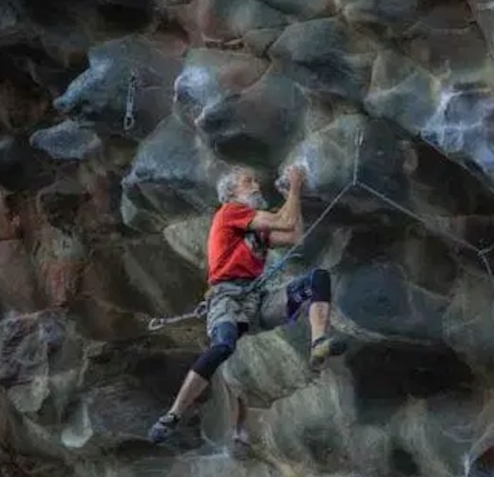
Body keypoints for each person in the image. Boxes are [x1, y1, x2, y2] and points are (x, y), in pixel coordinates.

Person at [148, 163, 346, 446]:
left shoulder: (255, 228)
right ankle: (174, 414)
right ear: (231, 193)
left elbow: (294, 235)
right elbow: (285, 222)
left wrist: (294, 195)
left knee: (317, 280)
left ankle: (318, 343)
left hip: (258, 303)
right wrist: (295, 187)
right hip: (227, 298)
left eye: (254, 181)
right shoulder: (230, 213)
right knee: (223, 345)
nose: (255, 185)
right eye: (248, 181)